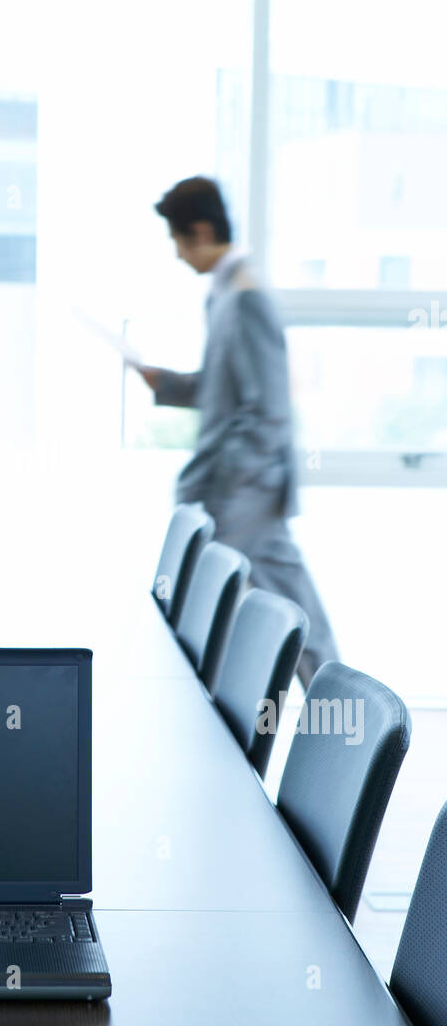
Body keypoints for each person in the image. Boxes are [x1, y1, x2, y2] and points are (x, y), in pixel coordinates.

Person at [137, 175, 338, 689]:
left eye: (179, 242)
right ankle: (336, 719)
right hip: (239, 491)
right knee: (274, 613)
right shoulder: (225, 294)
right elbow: (224, 391)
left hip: (247, 493)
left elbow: (267, 411)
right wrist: (168, 384)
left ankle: (344, 725)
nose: (179, 256)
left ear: (201, 231)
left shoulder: (246, 297)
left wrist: (230, 491)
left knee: (290, 617)